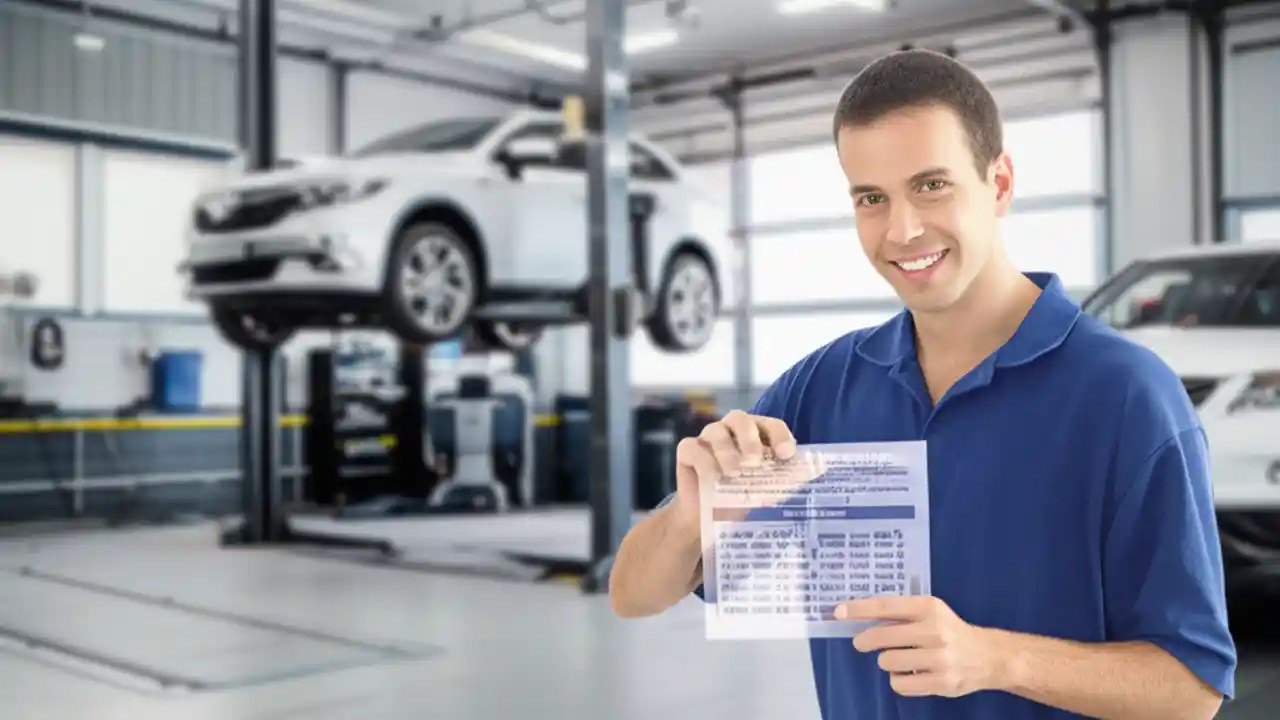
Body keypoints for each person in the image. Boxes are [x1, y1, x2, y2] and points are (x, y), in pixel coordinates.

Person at [608, 49, 1236, 720]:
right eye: (871, 198)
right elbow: (632, 594)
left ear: (998, 184)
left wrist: (994, 660)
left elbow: (1191, 688)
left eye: (931, 185)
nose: (902, 230)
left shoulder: (1127, 397)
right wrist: (692, 512)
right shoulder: (820, 390)